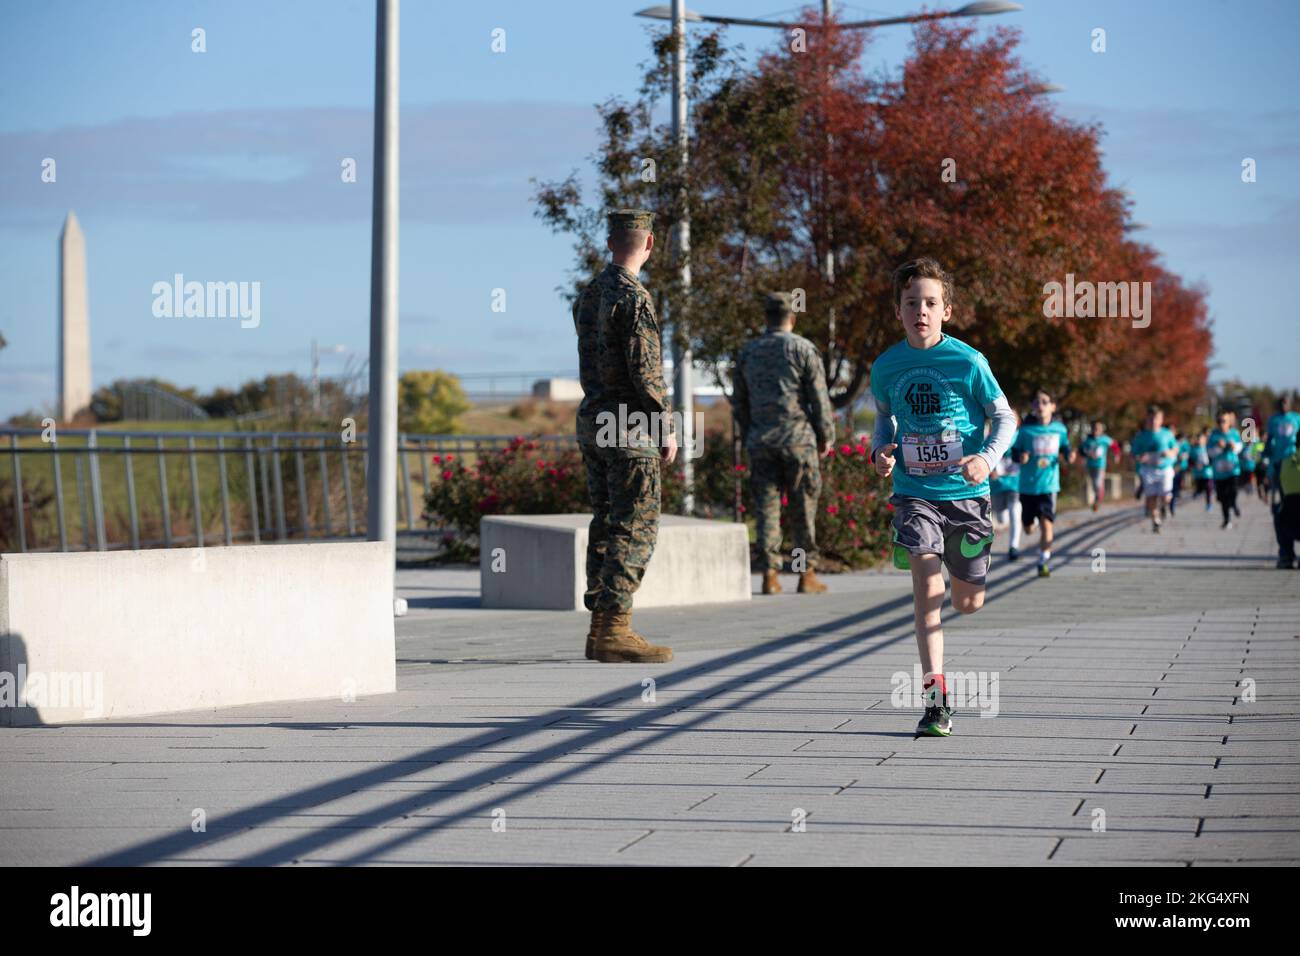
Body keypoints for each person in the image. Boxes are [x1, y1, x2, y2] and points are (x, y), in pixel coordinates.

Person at [870, 257, 1016, 738]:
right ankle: (936, 705)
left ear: (946, 311)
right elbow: (885, 419)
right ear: (899, 311)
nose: (921, 311)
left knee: (967, 602)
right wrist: (880, 450)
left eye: (930, 303)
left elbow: (1006, 418)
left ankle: (964, 557)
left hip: (968, 494)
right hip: (915, 492)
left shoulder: (969, 362)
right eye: (911, 303)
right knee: (926, 593)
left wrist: (987, 458)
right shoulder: (887, 366)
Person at [572, 208, 676, 663]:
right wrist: (665, 424)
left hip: (594, 421)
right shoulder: (635, 297)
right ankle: (614, 626)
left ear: (611, 241)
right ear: (649, 244)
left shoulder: (589, 294)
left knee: (607, 520)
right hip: (630, 427)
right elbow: (645, 370)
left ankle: (601, 629)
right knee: (636, 524)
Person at [731, 291, 835, 595]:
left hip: (761, 441)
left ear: (766, 317)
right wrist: (825, 435)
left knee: (766, 510)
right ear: (792, 317)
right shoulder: (802, 349)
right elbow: (819, 399)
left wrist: (752, 432)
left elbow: (739, 403)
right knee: (802, 509)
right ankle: (805, 574)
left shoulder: (748, 352)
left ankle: (770, 575)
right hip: (798, 440)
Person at [1013, 390, 1074, 577]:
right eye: (1037, 402)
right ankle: (1031, 523)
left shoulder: (1060, 429)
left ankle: (1043, 560)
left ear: (1053, 407)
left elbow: (1065, 446)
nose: (1040, 405)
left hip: (1049, 486)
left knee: (1047, 524)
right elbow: (1015, 452)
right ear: (1032, 407)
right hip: (1028, 486)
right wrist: (1021, 457)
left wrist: (1068, 455)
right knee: (1029, 528)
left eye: (1045, 402)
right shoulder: (1025, 431)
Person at [1131, 405, 1178, 533]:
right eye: (1151, 419)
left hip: (1165, 469)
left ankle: (1164, 506)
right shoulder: (1141, 436)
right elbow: (1133, 454)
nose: (1153, 421)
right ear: (1147, 419)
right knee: (1151, 497)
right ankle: (1155, 521)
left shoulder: (1167, 434)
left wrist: (1169, 453)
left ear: (1161, 420)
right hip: (1148, 470)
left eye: (1156, 419)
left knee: (1165, 495)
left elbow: (1175, 449)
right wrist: (1140, 457)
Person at [990, 413, 1023, 560]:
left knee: (1014, 510)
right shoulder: (992, 436)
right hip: (997, 484)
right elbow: (984, 455)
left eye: (1013, 417)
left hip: (1016, 482)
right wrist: (990, 469)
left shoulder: (1021, 437)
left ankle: (1013, 547)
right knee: (1002, 518)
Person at [1208, 410, 1243, 529]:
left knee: (1233, 491)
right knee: (1222, 497)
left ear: (1229, 422)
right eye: (1219, 421)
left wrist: (1234, 446)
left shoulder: (1234, 433)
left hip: (1233, 469)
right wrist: (1219, 447)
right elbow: (1210, 452)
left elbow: (1240, 447)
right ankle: (1226, 520)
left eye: (1224, 421)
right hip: (1219, 472)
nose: (1221, 423)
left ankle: (1234, 504)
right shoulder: (1213, 435)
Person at [1264, 395, 1300, 507]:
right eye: (1281, 403)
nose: (1283, 405)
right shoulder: (1273, 420)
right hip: (1279, 458)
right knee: (1282, 484)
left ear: (1290, 404)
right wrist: (1267, 452)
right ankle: (1285, 505)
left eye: (1285, 403)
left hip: (1294, 457)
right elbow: (1269, 438)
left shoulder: (1297, 418)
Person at [1273, 443, 1300, 568]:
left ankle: (1286, 555)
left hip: (1290, 521)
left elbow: (1283, 488)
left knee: (1279, 515)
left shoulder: (1286, 461)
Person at [1079, 419, 1114, 512]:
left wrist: (1117, 454)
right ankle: (1098, 497)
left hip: (1100, 465)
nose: (1096, 430)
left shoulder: (1105, 439)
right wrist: (1087, 454)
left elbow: (1114, 445)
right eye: (1094, 428)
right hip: (1090, 465)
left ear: (1102, 430)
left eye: (1098, 428)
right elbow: (1081, 450)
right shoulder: (1087, 440)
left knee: (1097, 482)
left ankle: (1097, 499)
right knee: (1094, 483)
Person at [1190, 430, 1213, 512]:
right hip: (1198, 474)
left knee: (1208, 488)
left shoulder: (1208, 448)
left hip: (1207, 473)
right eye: (1198, 439)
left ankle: (1209, 504)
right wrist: (1194, 464)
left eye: (1201, 439)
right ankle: (1196, 493)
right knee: (1199, 488)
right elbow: (1190, 461)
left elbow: (1212, 458)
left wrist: (1208, 464)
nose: (1199, 441)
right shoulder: (1193, 450)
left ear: (1205, 440)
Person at [1171, 430, 1191, 515]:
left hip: (1182, 466)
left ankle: (1179, 490)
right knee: (1173, 485)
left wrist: (1183, 456)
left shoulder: (1185, 444)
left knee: (1179, 481)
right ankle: (1174, 497)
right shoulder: (1174, 442)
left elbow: (1188, 453)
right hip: (1173, 466)